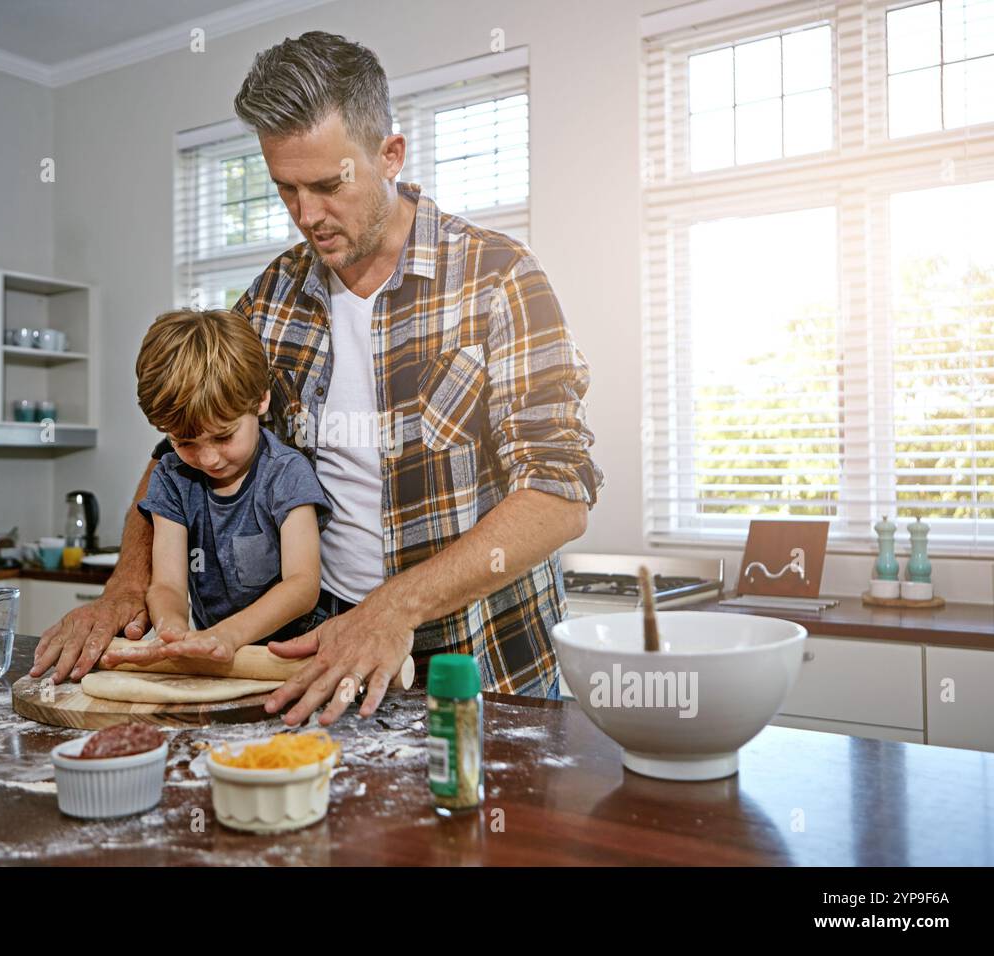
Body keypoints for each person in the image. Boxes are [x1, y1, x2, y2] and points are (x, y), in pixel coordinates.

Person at [32, 31, 602, 727]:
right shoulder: (271, 299)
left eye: (330, 185)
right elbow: (175, 458)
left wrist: (392, 610)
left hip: (485, 666)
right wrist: (127, 585)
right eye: (285, 188)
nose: (306, 216)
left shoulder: (498, 280)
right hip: (319, 663)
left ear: (390, 154)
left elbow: (557, 491)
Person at [104, 308, 331, 665]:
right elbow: (168, 585)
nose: (208, 459)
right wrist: (172, 630)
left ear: (260, 399)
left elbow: (302, 585)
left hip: (291, 656)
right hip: (214, 649)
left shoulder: (286, 474)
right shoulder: (171, 478)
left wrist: (229, 635)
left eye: (223, 436)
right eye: (185, 442)